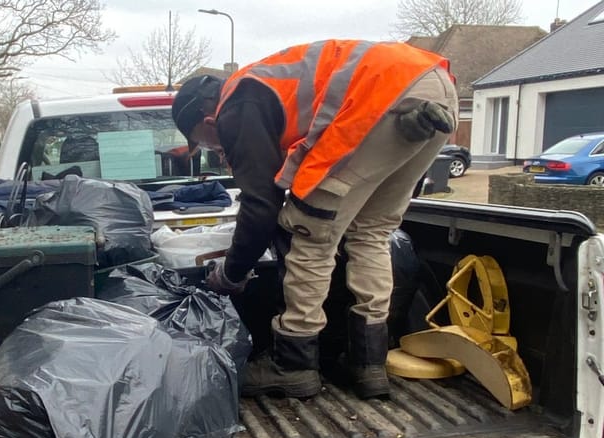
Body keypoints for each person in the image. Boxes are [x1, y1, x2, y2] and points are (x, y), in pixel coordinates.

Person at [171, 40, 458, 400]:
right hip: (435, 87)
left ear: (209, 121)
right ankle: (367, 365)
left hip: (383, 96)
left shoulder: (237, 104)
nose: (221, 151)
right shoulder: (265, 87)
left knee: (309, 233)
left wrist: (231, 274)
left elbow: (261, 207)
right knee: (370, 234)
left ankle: (293, 366)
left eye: (212, 146)